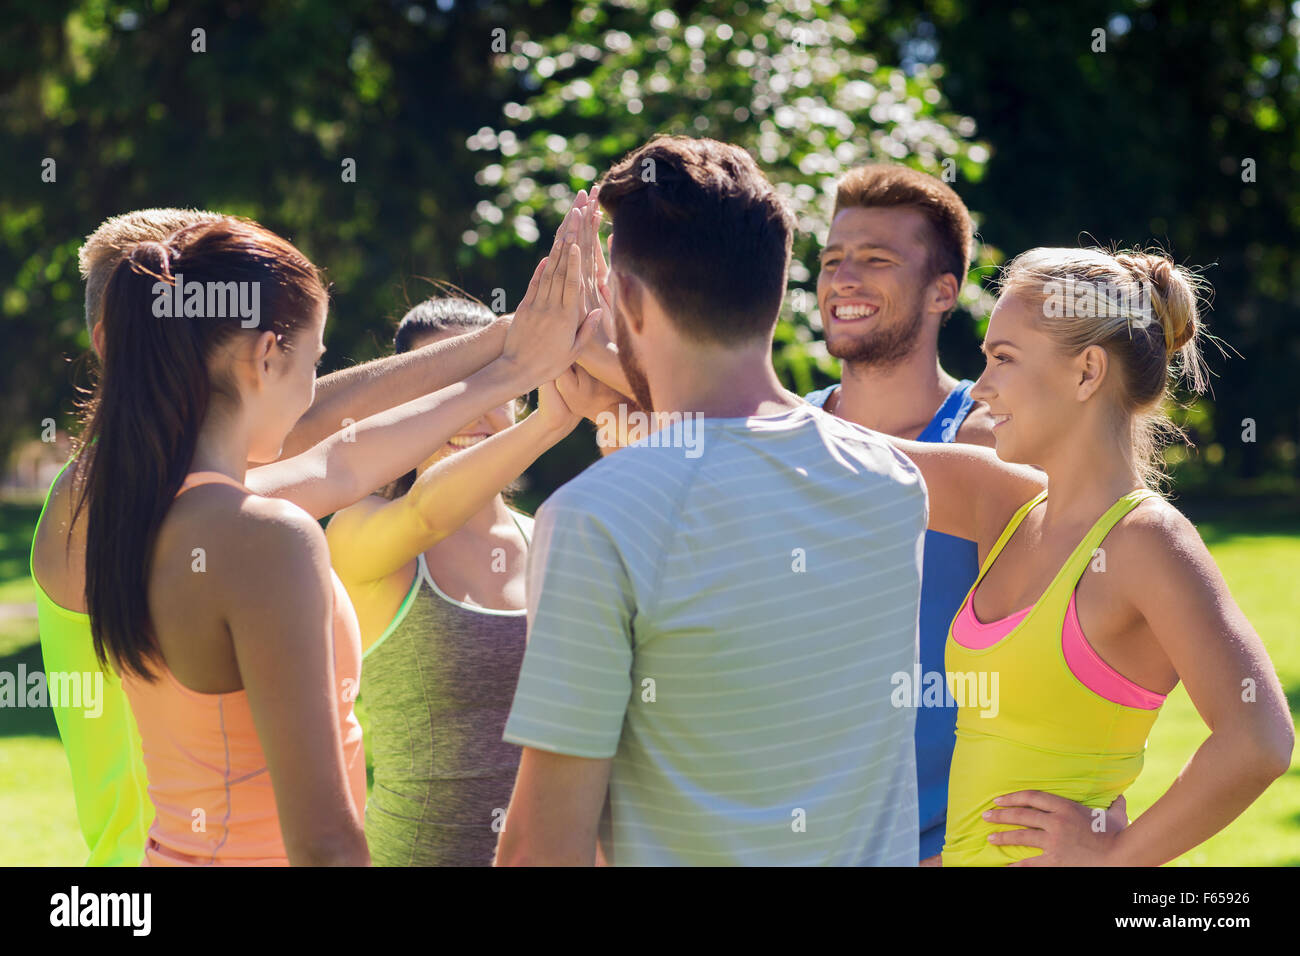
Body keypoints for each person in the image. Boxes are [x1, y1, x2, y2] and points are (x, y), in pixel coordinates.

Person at [31, 205, 589, 865]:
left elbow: (339, 457)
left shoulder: (153, 502)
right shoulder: (115, 498)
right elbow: (324, 431)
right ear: (261, 355)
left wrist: (512, 353)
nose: (313, 389)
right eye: (310, 361)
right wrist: (513, 364)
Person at [495, 135, 934, 866]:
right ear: (774, 287)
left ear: (626, 298)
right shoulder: (892, 483)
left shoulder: (596, 518)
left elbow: (544, 848)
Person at [885, 247, 1293, 865]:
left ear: (1086, 373)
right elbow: (841, 462)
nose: (983, 388)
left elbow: (1259, 741)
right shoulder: (1009, 502)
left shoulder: (1145, 540)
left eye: (1004, 359)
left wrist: (1113, 857)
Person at [327, 290, 618, 866]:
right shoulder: (359, 530)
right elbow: (428, 512)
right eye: (441, 395)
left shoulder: (556, 536)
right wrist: (552, 421)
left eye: (494, 384)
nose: (467, 411)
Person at [806, 163, 994, 863]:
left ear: (943, 290)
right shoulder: (783, 429)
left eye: (876, 260)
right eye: (831, 261)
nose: (843, 279)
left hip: (947, 847)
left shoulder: (990, 442)